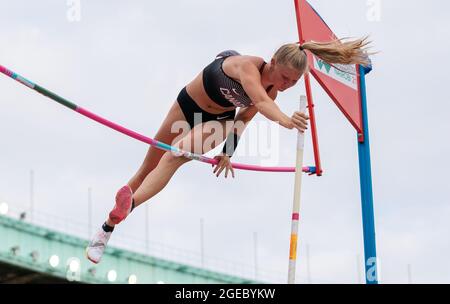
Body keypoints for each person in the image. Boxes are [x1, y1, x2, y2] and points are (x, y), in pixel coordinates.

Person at [86, 38, 372, 263]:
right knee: (147, 166)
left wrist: (228, 153)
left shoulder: (272, 92)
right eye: (285, 77)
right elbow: (260, 101)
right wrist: (286, 120)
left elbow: (244, 118)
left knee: (176, 154)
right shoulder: (247, 67)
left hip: (218, 121)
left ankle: (129, 206)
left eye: (293, 82)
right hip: (188, 105)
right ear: (272, 62)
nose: (286, 85)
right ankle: (109, 224)